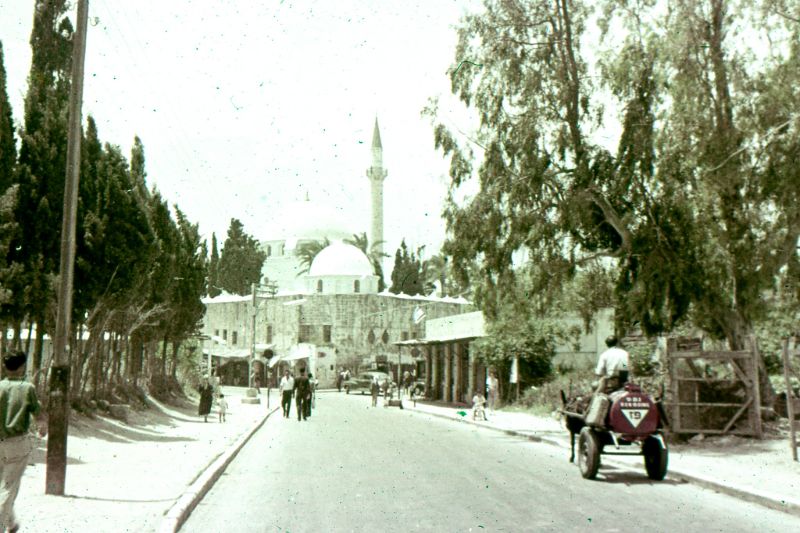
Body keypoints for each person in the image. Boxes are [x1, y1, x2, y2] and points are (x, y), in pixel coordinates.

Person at [0, 350, 43, 533]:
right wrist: (43, 428)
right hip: (17, 443)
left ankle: (11, 523)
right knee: (8, 488)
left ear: (4, 366)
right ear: (23, 366)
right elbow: (38, 415)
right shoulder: (28, 388)